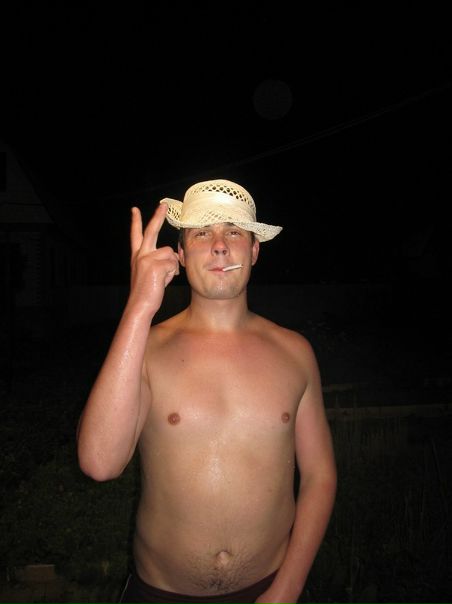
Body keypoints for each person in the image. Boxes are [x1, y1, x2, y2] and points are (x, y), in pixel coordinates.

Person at [77, 178, 337, 604]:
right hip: (159, 594)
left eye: (234, 231)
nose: (219, 246)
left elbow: (320, 475)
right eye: (202, 233)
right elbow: (99, 463)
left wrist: (288, 588)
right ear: (180, 254)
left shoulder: (295, 352)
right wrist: (139, 305)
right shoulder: (144, 348)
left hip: (273, 589)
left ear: (254, 251)